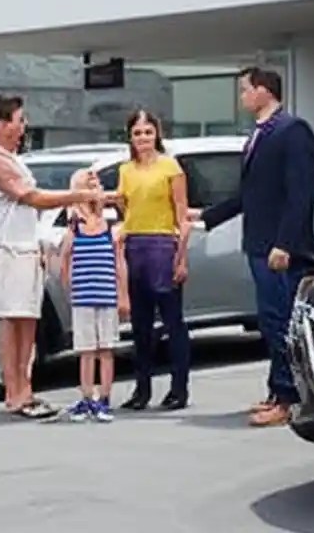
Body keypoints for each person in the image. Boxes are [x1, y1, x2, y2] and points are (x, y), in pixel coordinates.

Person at [189, 67, 314, 427]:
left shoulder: (291, 130)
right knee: (268, 319)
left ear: (265, 91)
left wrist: (285, 243)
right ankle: (276, 389)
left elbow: (301, 194)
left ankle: (288, 397)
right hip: (259, 243)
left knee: (280, 320)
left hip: (279, 249)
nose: (242, 96)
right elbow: (251, 194)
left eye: (245, 90)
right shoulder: (260, 134)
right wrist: (205, 216)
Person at [0, 94, 114, 419]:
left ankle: (26, 389)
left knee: (28, 320)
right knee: (12, 319)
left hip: (26, 248)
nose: (23, 126)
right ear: (1, 123)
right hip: (8, 250)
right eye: (18, 119)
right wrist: (78, 195)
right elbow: (32, 197)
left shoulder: (12, 157)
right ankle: (15, 393)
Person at [115, 109, 192, 411]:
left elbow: (182, 214)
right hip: (136, 245)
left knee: (173, 322)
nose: (143, 138)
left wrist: (181, 257)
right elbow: (125, 207)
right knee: (140, 325)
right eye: (137, 133)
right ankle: (141, 388)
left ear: (157, 134)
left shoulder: (170, 167)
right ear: (130, 137)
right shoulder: (125, 171)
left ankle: (179, 388)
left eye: (148, 132)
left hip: (164, 244)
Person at [59, 169, 130, 422]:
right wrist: (69, 286)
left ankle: (105, 398)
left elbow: (120, 264)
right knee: (86, 350)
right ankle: (87, 397)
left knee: (106, 349)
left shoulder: (111, 228)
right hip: (83, 299)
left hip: (107, 296)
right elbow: (64, 260)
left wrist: (123, 296)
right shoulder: (74, 229)